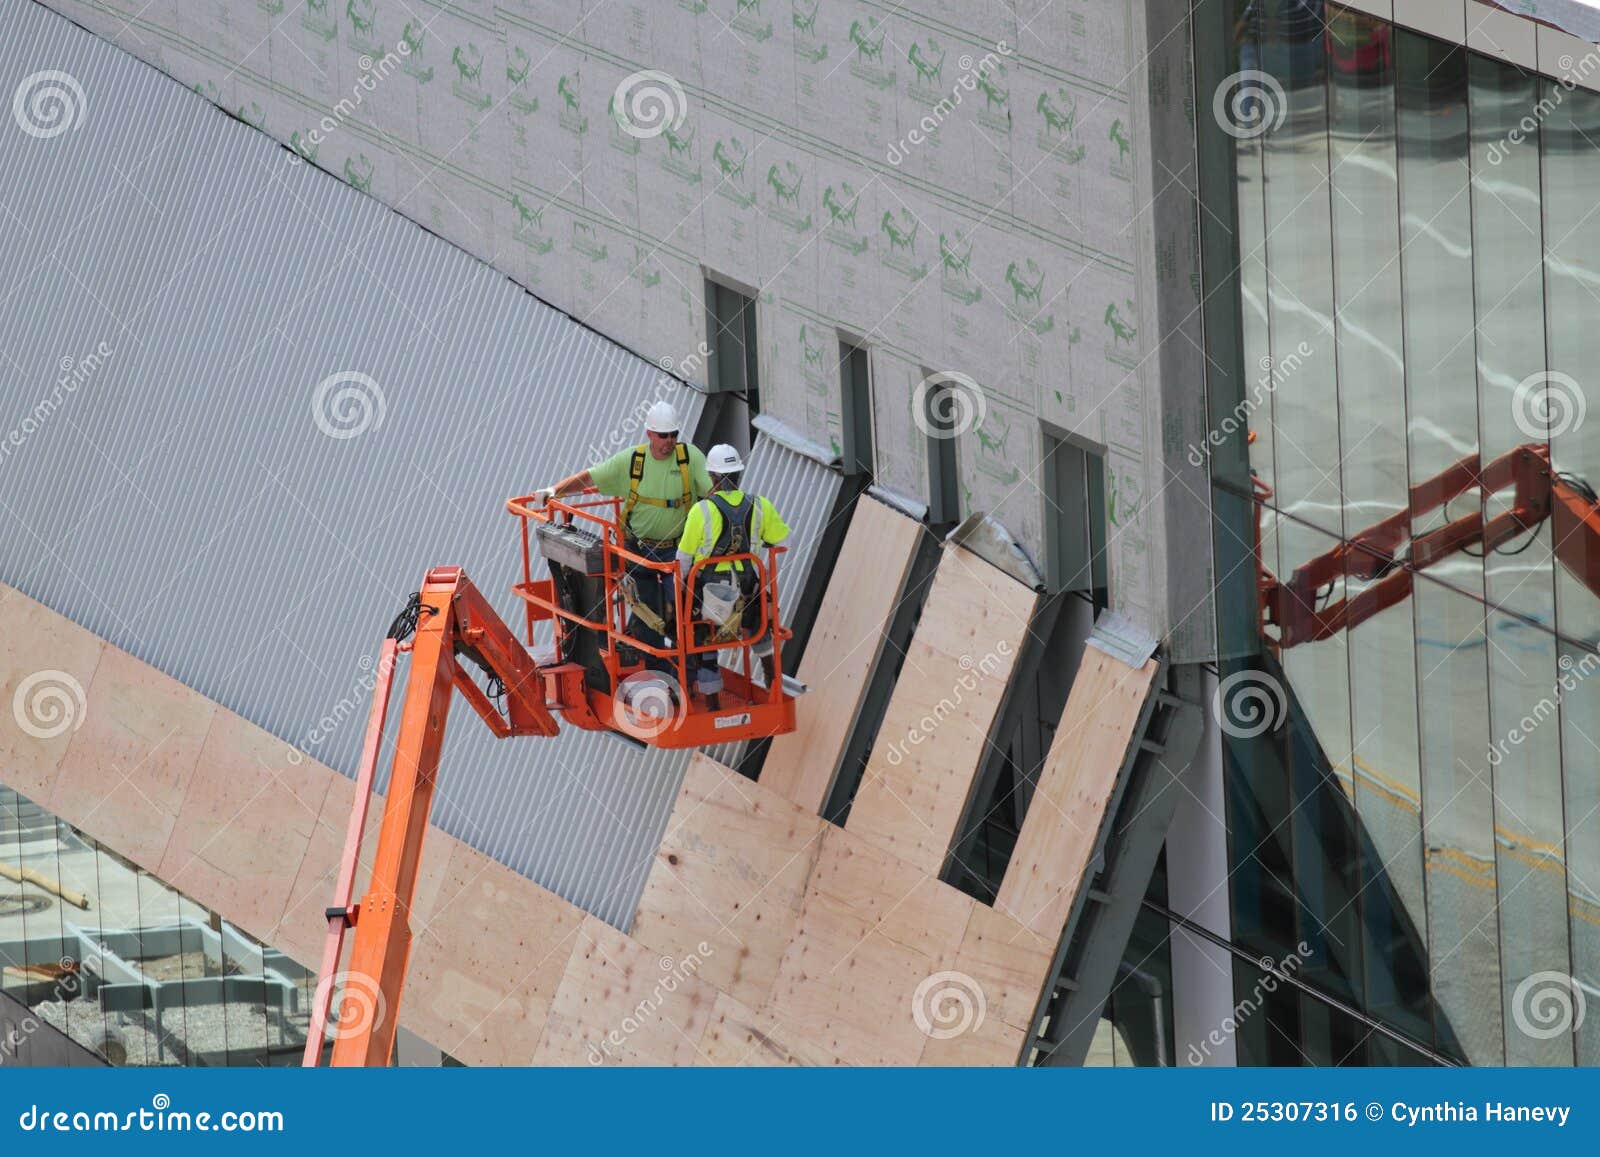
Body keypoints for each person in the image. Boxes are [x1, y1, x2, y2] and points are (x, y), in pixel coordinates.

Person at [535, 400, 711, 674]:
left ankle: (690, 670)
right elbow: (591, 477)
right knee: (646, 610)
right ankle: (659, 671)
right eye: (663, 435)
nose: (669, 441)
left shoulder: (690, 459)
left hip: (676, 550)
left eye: (674, 435)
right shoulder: (633, 462)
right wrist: (554, 490)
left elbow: (714, 496)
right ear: (649, 434)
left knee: (682, 607)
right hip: (638, 551)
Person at [675, 444, 789, 709]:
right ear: (738, 474)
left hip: (710, 595)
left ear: (713, 477)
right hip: (749, 590)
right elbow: (783, 543)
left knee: (702, 635)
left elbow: (682, 559)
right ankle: (773, 679)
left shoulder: (701, 510)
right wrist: (768, 583)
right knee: (760, 621)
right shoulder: (760, 505)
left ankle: (713, 703)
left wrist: (682, 592)